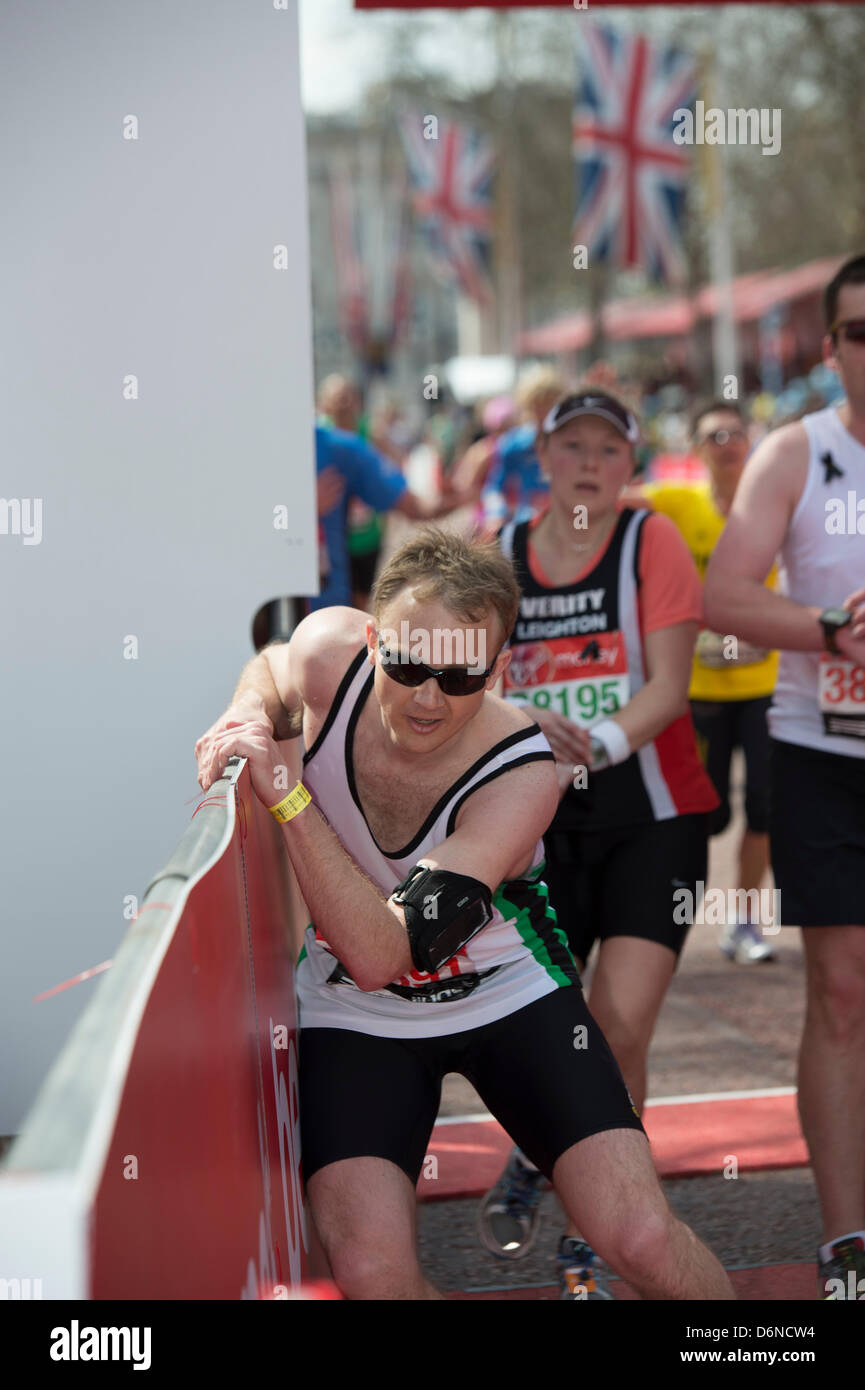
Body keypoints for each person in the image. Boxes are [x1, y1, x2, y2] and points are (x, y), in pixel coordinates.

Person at [195, 527, 734, 1302]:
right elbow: (272, 669)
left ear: (501, 668)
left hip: (509, 993)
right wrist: (247, 709)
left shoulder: (520, 772)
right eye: (407, 664)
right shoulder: (327, 652)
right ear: (372, 640)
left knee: (640, 1239)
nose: (426, 698)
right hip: (357, 1015)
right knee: (373, 1275)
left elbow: (388, 952)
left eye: (458, 677)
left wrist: (289, 798)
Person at [478, 388, 720, 1299]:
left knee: (620, 1026)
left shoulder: (648, 540)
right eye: (570, 446)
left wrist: (597, 742)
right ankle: (544, 1154)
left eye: (607, 450)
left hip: (654, 816)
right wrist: (526, 720)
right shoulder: (499, 553)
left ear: (630, 466)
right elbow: (467, 684)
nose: (588, 463)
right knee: (558, 1034)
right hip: (535, 827)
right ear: (542, 459)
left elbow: (670, 684)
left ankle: (593, 1239)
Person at [704, 254, 865, 1300]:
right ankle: (846, 1242)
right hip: (824, 758)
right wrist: (829, 630)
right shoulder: (795, 454)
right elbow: (722, 593)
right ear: (829, 348)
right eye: (860, 333)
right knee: (843, 992)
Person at [633, 398, 780, 964]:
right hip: (694, 691)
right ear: (695, 450)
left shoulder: (774, 504)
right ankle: (665, 920)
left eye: (735, 434)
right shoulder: (676, 502)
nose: (727, 445)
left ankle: (744, 921)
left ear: (751, 440)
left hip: (764, 684)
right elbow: (608, 505)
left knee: (765, 806)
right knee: (708, 814)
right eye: (713, 436)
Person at [480, 365, 565, 529]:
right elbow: (494, 488)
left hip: (566, 523)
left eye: (549, 403)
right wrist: (495, 516)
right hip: (526, 524)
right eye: (537, 404)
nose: (543, 411)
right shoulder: (513, 444)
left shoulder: (572, 443)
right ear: (527, 404)